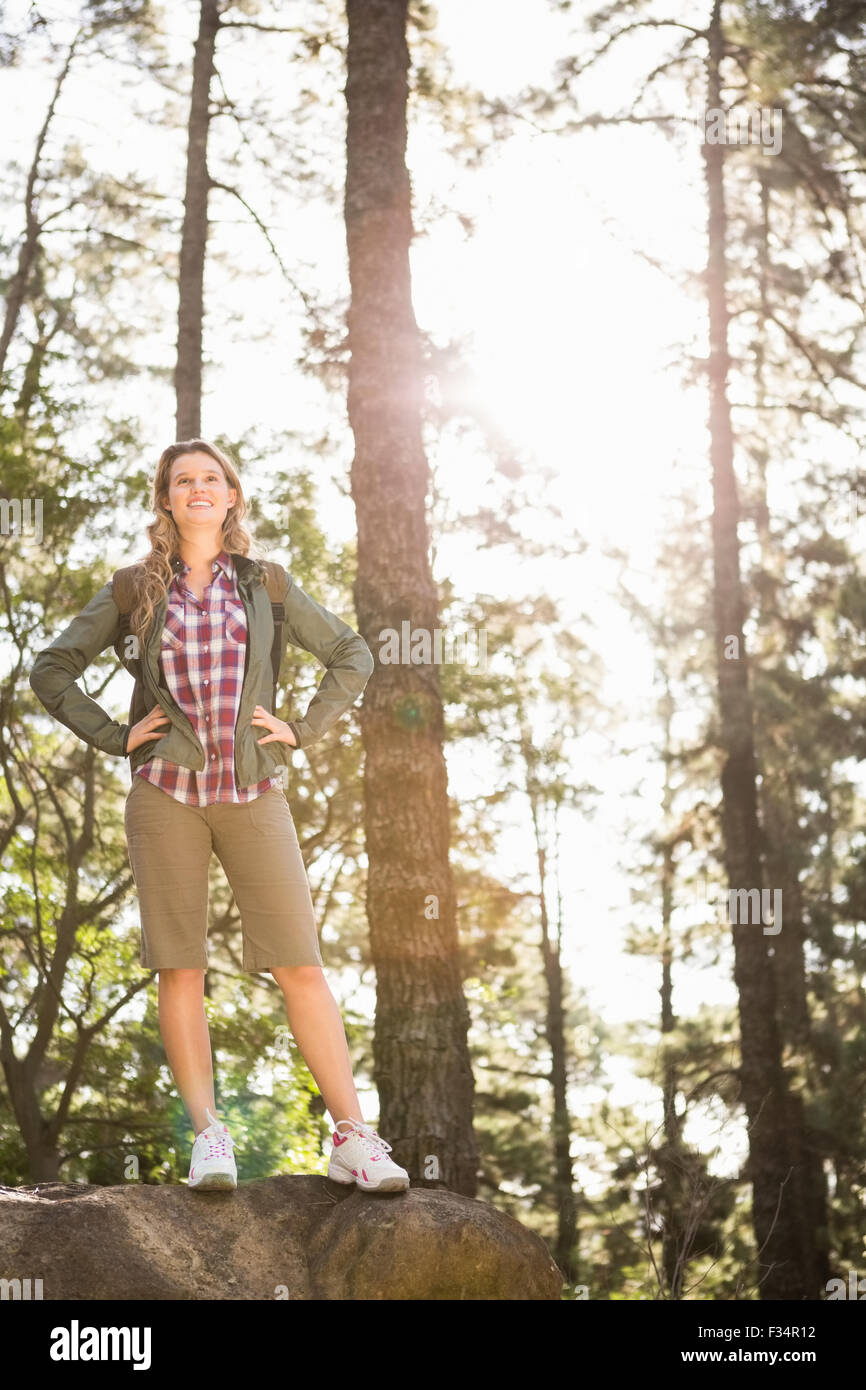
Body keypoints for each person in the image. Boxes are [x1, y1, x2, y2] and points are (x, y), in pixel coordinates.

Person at [29, 438, 409, 1195]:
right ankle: (209, 1136)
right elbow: (51, 668)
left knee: (300, 962)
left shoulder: (264, 582)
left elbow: (352, 652)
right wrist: (114, 734)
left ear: (231, 496)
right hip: (165, 794)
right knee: (182, 967)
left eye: (211, 479)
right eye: (182, 481)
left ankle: (353, 1139)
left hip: (253, 793)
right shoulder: (136, 587)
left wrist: (302, 727)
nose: (197, 490)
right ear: (165, 499)